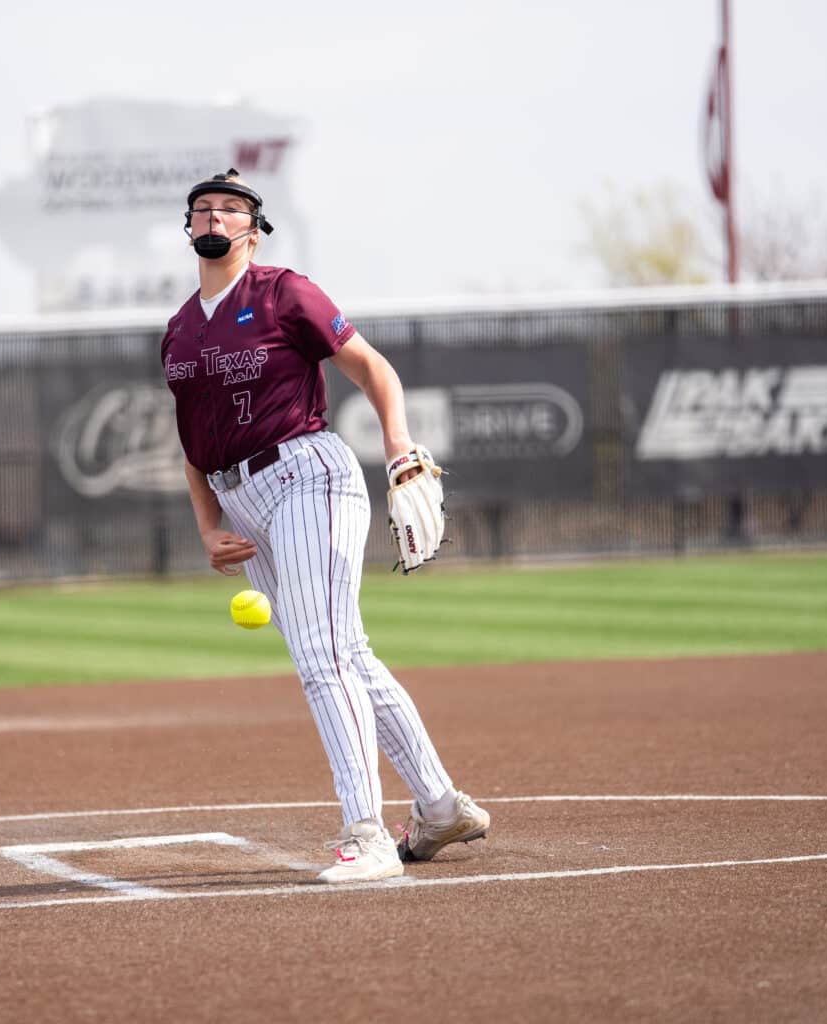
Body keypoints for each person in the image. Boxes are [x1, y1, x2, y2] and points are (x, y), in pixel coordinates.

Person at [160, 169, 491, 883]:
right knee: (345, 655)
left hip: (308, 473)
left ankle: (366, 835)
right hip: (239, 501)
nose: (215, 215)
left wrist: (399, 448)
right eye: (203, 207)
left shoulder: (284, 292)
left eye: (232, 206)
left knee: (321, 657)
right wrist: (206, 526)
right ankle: (438, 807)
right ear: (189, 228)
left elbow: (372, 369)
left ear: (253, 228)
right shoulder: (180, 330)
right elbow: (190, 444)